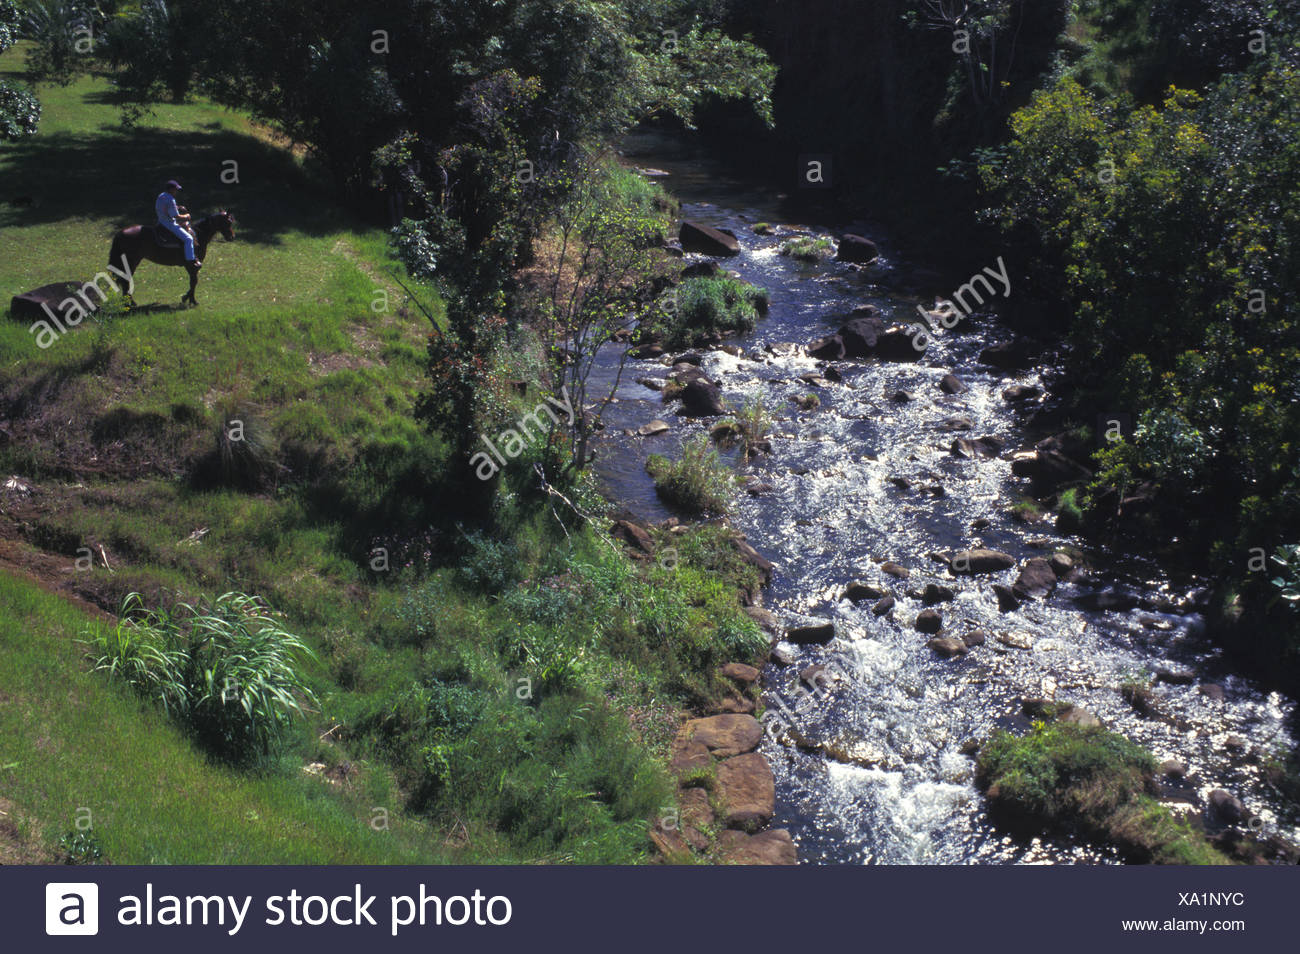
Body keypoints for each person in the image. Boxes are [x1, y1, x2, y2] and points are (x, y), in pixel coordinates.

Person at [155, 179, 201, 267]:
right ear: (171, 189)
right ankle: (191, 260)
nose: (177, 191)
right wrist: (187, 216)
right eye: (176, 189)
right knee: (189, 239)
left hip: (161, 221)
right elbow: (176, 216)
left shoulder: (161, 195)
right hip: (169, 224)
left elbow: (165, 207)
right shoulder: (171, 199)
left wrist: (177, 207)